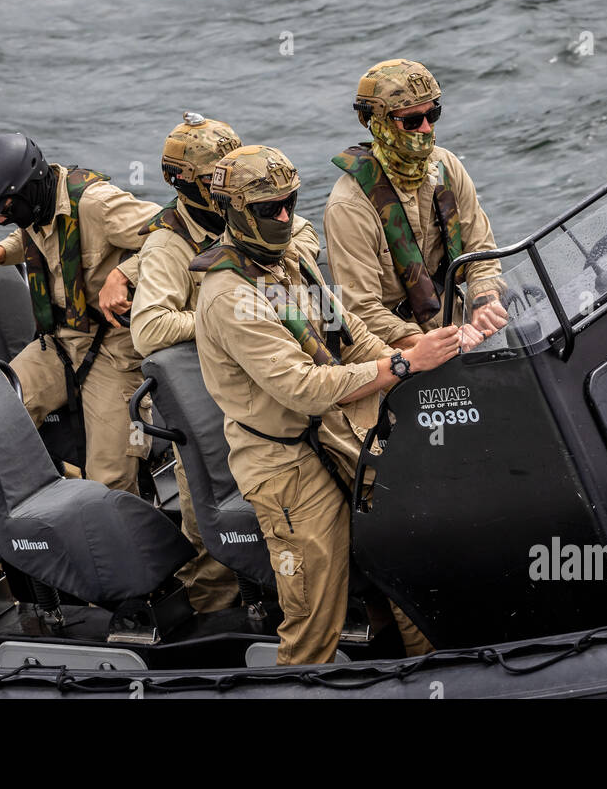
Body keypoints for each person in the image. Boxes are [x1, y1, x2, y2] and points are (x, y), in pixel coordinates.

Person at [193, 144, 462, 665]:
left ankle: (430, 670)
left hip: (338, 436)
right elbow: (303, 386)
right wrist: (403, 367)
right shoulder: (231, 296)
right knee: (314, 619)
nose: (287, 216)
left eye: (291, 202)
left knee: (401, 556)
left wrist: (411, 358)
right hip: (286, 466)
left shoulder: (289, 258)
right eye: (271, 208)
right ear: (237, 214)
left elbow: (347, 335)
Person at [132, 112, 319, 612]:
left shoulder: (259, 213)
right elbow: (148, 328)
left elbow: (302, 238)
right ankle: (218, 625)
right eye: (214, 182)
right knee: (207, 526)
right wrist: (224, 315)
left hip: (271, 373)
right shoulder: (169, 243)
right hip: (205, 394)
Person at [0, 133, 159, 496]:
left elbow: (173, 236)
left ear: (28, 190)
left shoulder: (97, 204)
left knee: (108, 479)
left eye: (5, 209)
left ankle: (115, 544)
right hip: (57, 343)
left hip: (112, 348)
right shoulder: (36, 208)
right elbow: (34, 234)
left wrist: (125, 274)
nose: (1, 220)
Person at [324, 59, 510, 351]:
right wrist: (429, 346)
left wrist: (486, 300)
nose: (425, 128)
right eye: (411, 121)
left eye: (432, 114)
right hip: (400, 352)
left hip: (461, 325)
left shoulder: (445, 165)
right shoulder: (349, 206)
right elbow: (362, 311)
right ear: (381, 124)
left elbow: (480, 250)